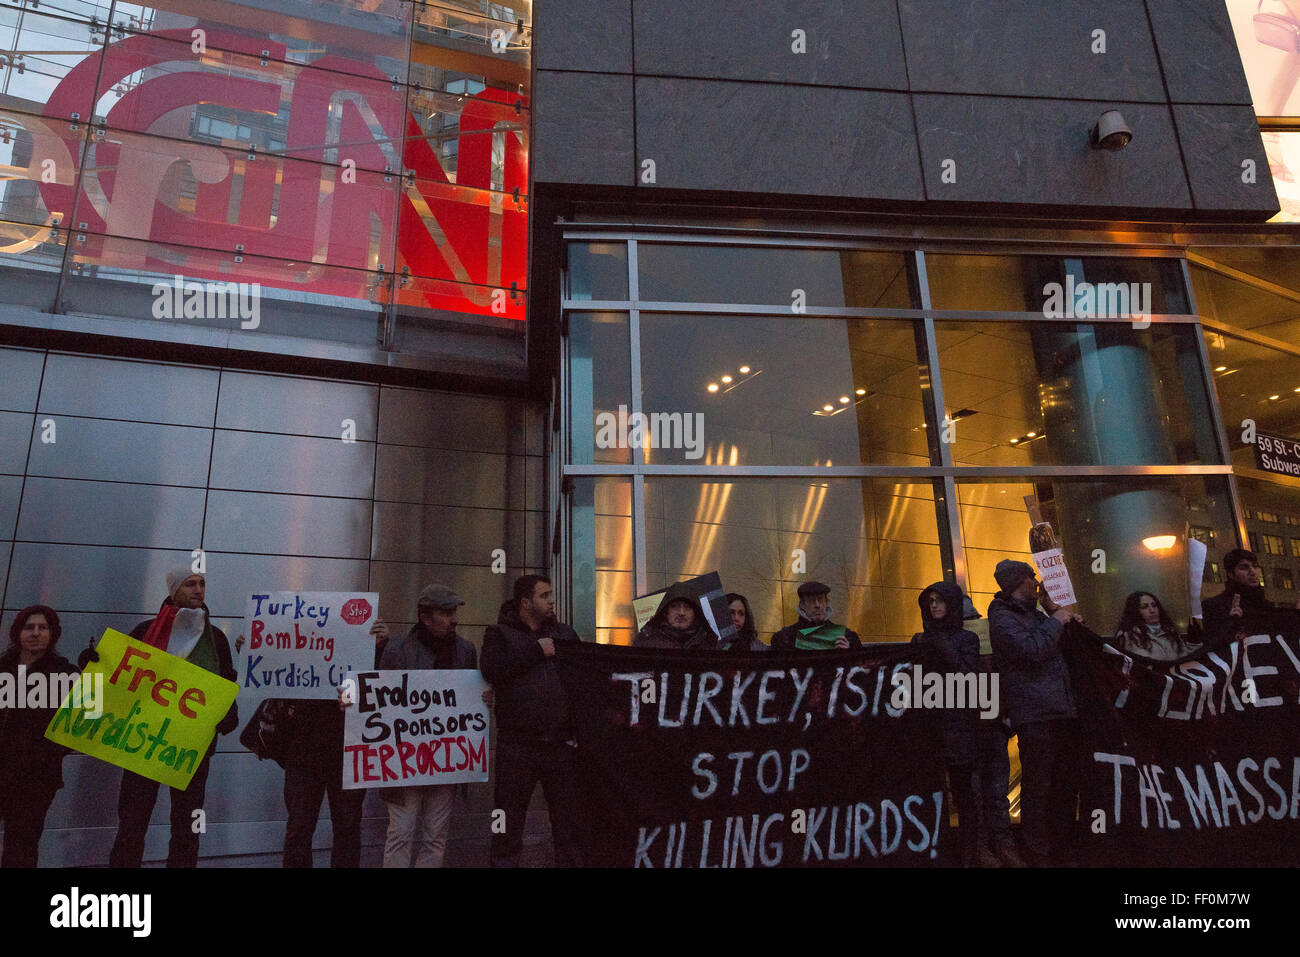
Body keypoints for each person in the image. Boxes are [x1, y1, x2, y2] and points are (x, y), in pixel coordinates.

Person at [101, 567, 238, 867]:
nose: (198, 590)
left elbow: (226, 682)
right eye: (190, 584)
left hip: (191, 746)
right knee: (132, 824)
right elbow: (121, 679)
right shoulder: (146, 631)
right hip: (143, 742)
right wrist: (97, 665)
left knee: (186, 827)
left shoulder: (215, 638)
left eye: (202, 583)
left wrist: (225, 714)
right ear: (174, 591)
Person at [238, 619, 390, 867]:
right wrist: (253, 650)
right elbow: (269, 672)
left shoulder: (363, 653)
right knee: (301, 828)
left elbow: (383, 685)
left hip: (346, 751)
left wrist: (380, 647)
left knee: (347, 827)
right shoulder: (296, 656)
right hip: (304, 752)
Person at [481, 574, 582, 867]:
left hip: (560, 746)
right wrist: (536, 650)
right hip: (517, 747)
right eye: (544, 596)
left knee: (568, 826)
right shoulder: (498, 634)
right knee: (507, 826)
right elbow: (492, 669)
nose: (551, 601)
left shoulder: (565, 634)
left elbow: (581, 679)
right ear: (526, 603)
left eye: (551, 595)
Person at [987, 559, 1081, 868]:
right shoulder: (1001, 617)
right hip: (1035, 713)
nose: (1037, 583)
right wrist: (1056, 621)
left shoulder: (1035, 615)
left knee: (1062, 784)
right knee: (1039, 787)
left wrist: (1055, 614)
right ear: (1019, 582)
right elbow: (1032, 651)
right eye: (1032, 578)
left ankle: (1062, 847)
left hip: (1058, 710)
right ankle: (1039, 854)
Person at [375, 584, 478, 867]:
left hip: (444, 761)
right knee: (401, 833)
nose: (454, 619)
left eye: (453, 611)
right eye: (445, 612)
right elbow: (379, 704)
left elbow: (470, 703)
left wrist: (482, 699)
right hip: (404, 762)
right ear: (425, 617)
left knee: (435, 835)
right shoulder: (397, 650)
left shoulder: (466, 651)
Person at [0, 606, 81, 867]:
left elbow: (82, 723)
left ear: (52, 634)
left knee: (21, 846)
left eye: (43, 628)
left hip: (35, 779)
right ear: (18, 632)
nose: (36, 633)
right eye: (29, 627)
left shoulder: (64, 674)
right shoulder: (2, 668)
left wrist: (48, 752)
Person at [911, 582, 980, 867]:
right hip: (932, 726)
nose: (934, 605)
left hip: (960, 725)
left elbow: (968, 677)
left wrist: (939, 644)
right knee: (932, 791)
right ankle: (937, 849)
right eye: (930, 601)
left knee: (964, 794)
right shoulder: (920, 640)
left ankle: (969, 852)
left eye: (940, 600)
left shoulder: (967, 639)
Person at [962, 596, 1024, 868]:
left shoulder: (984, 643)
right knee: (986, 794)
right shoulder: (989, 639)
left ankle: (992, 845)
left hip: (986, 727)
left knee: (989, 793)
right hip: (981, 727)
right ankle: (994, 845)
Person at [1201, 548, 1300, 637]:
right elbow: (1213, 644)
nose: (1253, 572)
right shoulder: (1215, 606)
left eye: (1255, 566)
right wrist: (1230, 623)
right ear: (1231, 574)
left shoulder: (1265, 606)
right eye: (1244, 568)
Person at [770, 582, 862, 651]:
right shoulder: (785, 638)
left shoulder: (846, 636)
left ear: (827, 604)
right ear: (802, 605)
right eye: (811, 600)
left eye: (821, 600)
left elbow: (862, 667)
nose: (817, 605)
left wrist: (849, 652)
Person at [1112, 591, 1195, 662]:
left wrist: (1195, 642)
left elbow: (1186, 660)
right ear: (1135, 612)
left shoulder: (1171, 632)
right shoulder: (1129, 636)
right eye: (1144, 607)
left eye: (1154, 605)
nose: (1152, 610)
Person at [633, 582, 719, 649]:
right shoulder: (645, 641)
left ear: (696, 613)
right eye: (675, 606)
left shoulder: (708, 644)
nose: (681, 613)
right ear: (666, 611)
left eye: (687, 607)